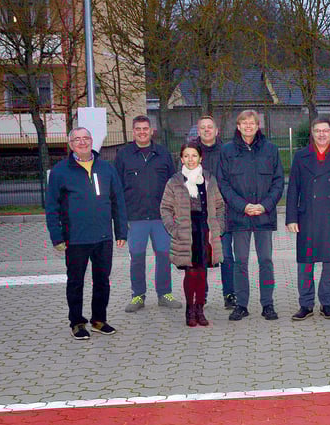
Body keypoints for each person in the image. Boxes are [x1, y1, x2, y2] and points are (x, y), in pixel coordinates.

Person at [45, 128, 128, 339]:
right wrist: (57, 237)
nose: (82, 142)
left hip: (103, 237)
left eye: (86, 138)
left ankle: (99, 320)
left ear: (92, 141)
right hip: (75, 239)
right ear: (70, 144)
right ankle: (77, 323)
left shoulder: (106, 168)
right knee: (76, 282)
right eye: (77, 139)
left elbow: (118, 201)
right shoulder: (60, 171)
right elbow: (52, 207)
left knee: (102, 280)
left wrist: (120, 231)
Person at [285, 116, 330, 321]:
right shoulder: (301, 156)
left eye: (325, 130)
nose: (321, 134)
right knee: (305, 263)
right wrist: (291, 218)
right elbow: (293, 189)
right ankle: (306, 304)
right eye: (317, 130)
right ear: (312, 132)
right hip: (307, 216)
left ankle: (326, 303)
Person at [217, 109, 284, 321]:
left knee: (266, 260)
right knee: (241, 261)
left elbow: (278, 182)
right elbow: (223, 183)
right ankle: (241, 305)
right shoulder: (227, 151)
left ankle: (268, 304)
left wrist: (264, 206)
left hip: (264, 216)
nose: (248, 126)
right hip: (240, 216)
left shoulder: (270, 150)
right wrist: (242, 206)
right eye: (244, 123)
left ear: (258, 126)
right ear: (238, 126)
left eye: (252, 123)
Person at [115, 115, 179, 312]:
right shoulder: (123, 155)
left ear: (152, 131)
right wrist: (120, 219)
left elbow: (174, 184)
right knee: (137, 258)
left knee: (164, 255)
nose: (142, 132)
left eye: (145, 129)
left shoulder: (163, 154)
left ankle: (164, 294)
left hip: (161, 217)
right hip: (135, 218)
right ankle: (138, 296)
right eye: (138, 129)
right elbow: (116, 188)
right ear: (133, 132)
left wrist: (175, 211)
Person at [160, 142, 226, 327]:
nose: (190, 159)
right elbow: (165, 208)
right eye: (186, 156)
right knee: (191, 273)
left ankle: (200, 308)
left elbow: (220, 206)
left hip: (205, 231)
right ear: (181, 159)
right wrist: (173, 229)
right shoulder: (174, 182)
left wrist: (218, 227)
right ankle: (190, 310)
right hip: (186, 233)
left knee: (202, 273)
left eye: (194, 155)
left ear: (200, 158)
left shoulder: (209, 180)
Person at [192, 115, 235, 310]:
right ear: (198, 131)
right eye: (203, 128)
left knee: (225, 254)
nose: (207, 130)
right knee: (201, 256)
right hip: (198, 213)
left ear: (217, 131)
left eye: (210, 127)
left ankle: (230, 294)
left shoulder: (227, 151)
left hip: (221, 212)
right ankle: (202, 294)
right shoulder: (191, 152)